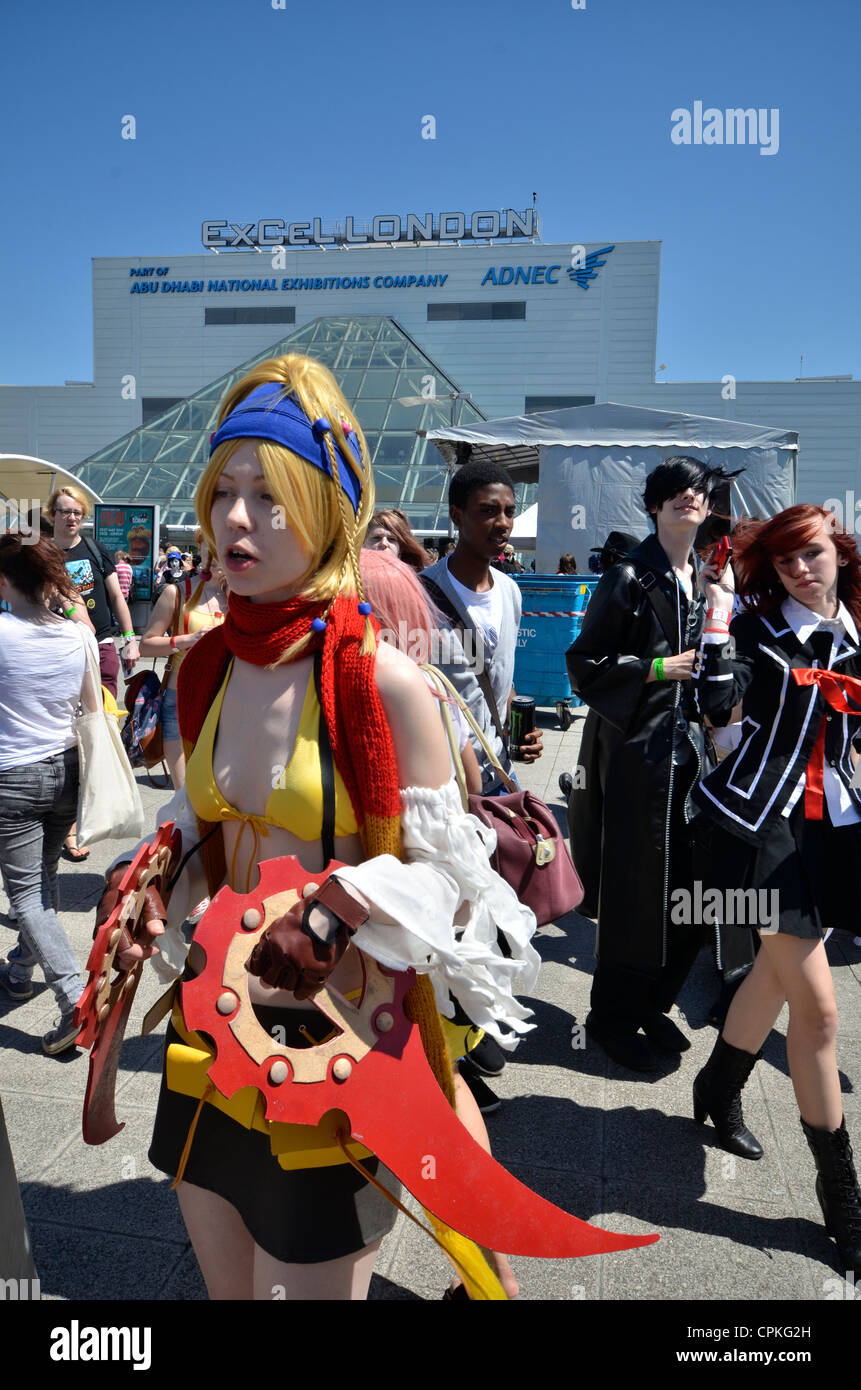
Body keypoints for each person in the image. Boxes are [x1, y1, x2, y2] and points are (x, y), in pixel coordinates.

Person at [99, 353, 538, 1300]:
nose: (235, 520)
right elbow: (199, 821)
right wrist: (149, 885)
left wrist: (331, 912)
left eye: (270, 494)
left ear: (328, 507)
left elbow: (453, 886)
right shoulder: (208, 664)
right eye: (224, 491)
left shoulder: (383, 683)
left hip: (338, 1040)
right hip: (214, 1033)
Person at [691, 504, 861, 1274]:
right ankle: (844, 1203)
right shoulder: (757, 630)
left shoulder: (855, 636)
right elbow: (713, 703)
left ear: (839, 556)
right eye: (787, 558)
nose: (799, 567)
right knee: (818, 1012)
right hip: (756, 832)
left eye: (812, 554)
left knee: (770, 971)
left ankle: (717, 1085)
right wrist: (717, 615)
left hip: (829, 832)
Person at [566, 458, 749, 1071]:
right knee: (634, 889)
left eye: (696, 490)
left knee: (690, 890)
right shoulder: (628, 577)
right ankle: (612, 1019)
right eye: (673, 492)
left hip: (691, 759)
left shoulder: (701, 577)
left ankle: (651, 1003)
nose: (687, 499)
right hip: (638, 756)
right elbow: (584, 665)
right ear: (652, 505)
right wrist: (651, 669)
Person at [0, 534, 93, 1054]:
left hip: (12, 775)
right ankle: (18, 970)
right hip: (66, 768)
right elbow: (90, 704)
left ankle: (74, 996)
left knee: (26, 895)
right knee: (45, 876)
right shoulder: (76, 635)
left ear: (5, 581)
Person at [421, 461, 543, 793]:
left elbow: (499, 675)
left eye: (509, 512)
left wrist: (518, 729)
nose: (503, 523)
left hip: (500, 773)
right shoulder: (419, 595)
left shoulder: (510, 592)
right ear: (457, 516)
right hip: (444, 782)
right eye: (488, 511)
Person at [138, 537, 228, 788]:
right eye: (209, 544)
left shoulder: (244, 595)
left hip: (229, 699)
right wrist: (189, 639)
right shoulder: (176, 592)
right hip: (181, 696)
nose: (217, 552)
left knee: (221, 792)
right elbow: (146, 645)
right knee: (185, 797)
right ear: (199, 549)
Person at [48, 486, 139, 698]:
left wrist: (130, 639)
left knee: (103, 719)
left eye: (77, 513)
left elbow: (117, 597)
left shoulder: (96, 549)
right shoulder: (42, 553)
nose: (71, 518)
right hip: (58, 648)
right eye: (65, 512)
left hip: (100, 645)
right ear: (53, 515)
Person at [362, 508, 428, 572]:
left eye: (391, 539)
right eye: (377, 538)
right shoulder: (353, 577)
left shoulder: (418, 580)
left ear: (401, 548)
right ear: (363, 544)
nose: (384, 543)